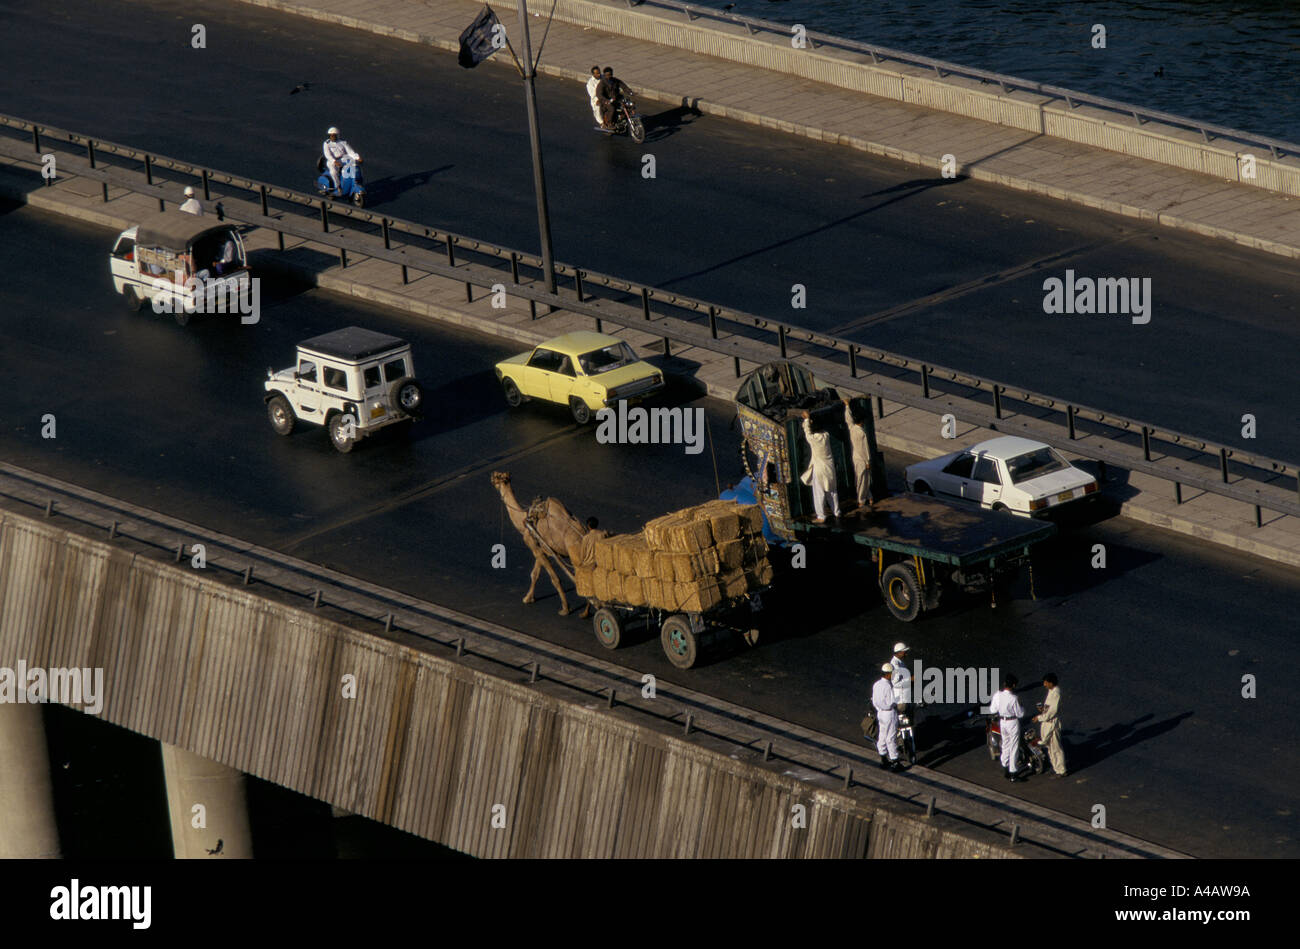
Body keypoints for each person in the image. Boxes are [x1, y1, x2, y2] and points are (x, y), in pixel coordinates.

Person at [798, 409, 839, 523]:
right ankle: (837, 512)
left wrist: (806, 420)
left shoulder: (813, 439)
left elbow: (807, 432)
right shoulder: (826, 436)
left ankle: (821, 516)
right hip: (829, 467)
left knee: (818, 493)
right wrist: (809, 420)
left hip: (819, 469)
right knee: (832, 491)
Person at [990, 674, 1027, 782]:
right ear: (1014, 685)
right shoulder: (1014, 698)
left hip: (1002, 722)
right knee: (1014, 746)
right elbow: (1020, 714)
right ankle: (1013, 773)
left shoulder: (997, 695)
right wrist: (1022, 707)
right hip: (1012, 722)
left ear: (1004, 684)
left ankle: (1005, 765)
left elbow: (993, 709)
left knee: (1005, 743)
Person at [1034, 672, 1068, 777]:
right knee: (1050, 747)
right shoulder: (1051, 691)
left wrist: (1039, 717)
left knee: (1056, 747)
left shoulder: (1056, 693)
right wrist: (1042, 709)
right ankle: (1056, 768)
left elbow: (1052, 711)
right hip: (1047, 723)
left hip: (1052, 723)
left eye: (1046, 682)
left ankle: (1061, 770)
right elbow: (1049, 708)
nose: (1044, 684)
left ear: (1051, 683)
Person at [842, 396, 873, 509]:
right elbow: (866, 449)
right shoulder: (862, 433)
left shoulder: (852, 428)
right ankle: (865, 499)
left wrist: (847, 406)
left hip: (856, 458)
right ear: (862, 421)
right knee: (863, 480)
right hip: (862, 460)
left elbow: (847, 418)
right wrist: (868, 461)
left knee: (860, 480)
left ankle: (865, 498)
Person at [872, 663, 902, 771]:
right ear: (888, 674)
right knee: (891, 737)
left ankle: (883, 758)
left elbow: (874, 701)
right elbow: (891, 702)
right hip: (889, 713)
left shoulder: (876, 684)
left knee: (882, 735)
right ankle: (895, 760)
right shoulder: (888, 686)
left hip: (880, 713)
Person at [322, 126, 361, 194]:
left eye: (334, 135)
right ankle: (338, 186)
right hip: (332, 161)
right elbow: (327, 155)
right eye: (331, 135)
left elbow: (350, 152)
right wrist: (334, 161)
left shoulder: (343, 142)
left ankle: (353, 183)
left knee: (353, 167)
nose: (332, 137)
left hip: (343, 159)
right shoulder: (327, 143)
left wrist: (357, 158)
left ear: (337, 135)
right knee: (333, 172)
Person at [890, 642, 912, 717]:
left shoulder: (900, 662)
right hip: (901, 700)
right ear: (899, 653)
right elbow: (895, 683)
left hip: (905, 697)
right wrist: (910, 679)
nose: (906, 654)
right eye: (904, 652)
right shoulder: (895, 664)